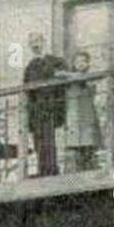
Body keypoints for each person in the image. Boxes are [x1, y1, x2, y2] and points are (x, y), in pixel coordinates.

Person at [23, 33, 66, 177]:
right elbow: (27, 90)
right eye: (32, 43)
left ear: (44, 42)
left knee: (50, 139)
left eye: (37, 41)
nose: (35, 45)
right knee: (38, 141)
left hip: (52, 106)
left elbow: (63, 78)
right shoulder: (30, 67)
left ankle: (53, 170)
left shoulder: (55, 61)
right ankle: (43, 170)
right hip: (36, 109)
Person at [63, 48, 101, 173]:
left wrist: (67, 74)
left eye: (83, 61)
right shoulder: (69, 80)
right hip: (73, 115)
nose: (80, 64)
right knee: (74, 148)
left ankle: (91, 169)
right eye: (77, 61)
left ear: (88, 63)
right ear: (73, 64)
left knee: (89, 146)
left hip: (87, 114)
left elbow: (90, 82)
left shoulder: (90, 77)